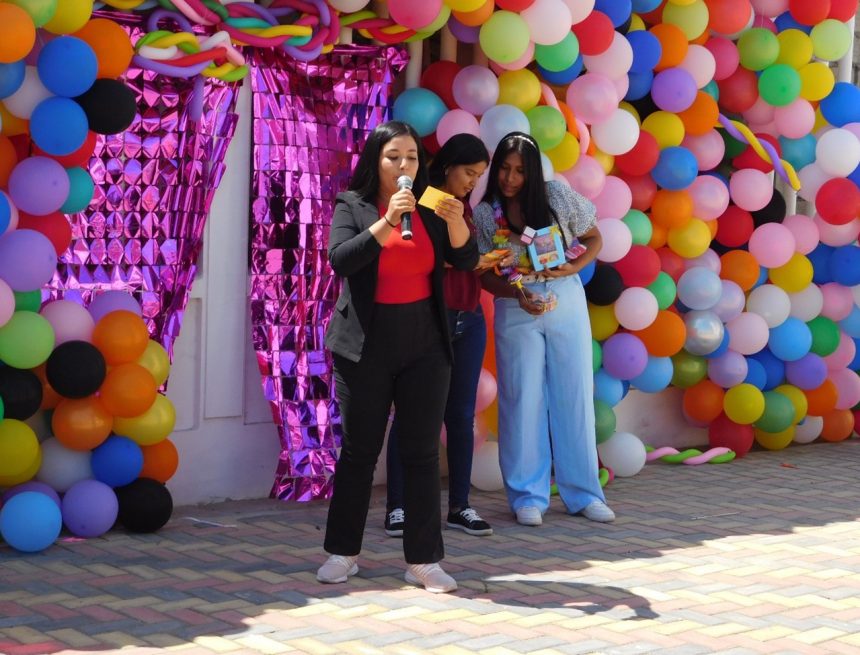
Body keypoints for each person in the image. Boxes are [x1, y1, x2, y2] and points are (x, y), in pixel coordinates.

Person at [318, 121, 479, 593]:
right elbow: (342, 260)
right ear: (376, 160)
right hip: (365, 345)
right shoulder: (352, 204)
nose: (404, 166)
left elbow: (466, 261)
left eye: (411, 156)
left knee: (422, 452)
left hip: (425, 343)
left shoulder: (430, 204)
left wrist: (454, 222)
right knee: (359, 452)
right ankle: (342, 552)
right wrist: (389, 220)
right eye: (393, 157)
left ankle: (423, 561)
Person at [471, 132, 615, 527]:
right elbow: (484, 276)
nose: (510, 178)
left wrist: (574, 267)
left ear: (532, 172)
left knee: (574, 394)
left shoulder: (556, 197)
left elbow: (594, 236)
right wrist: (517, 295)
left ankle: (584, 493)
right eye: (504, 168)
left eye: (519, 170)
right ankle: (526, 496)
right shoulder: (485, 214)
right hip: (515, 304)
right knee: (522, 398)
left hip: (564, 297)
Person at [384, 134, 498, 539]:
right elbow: (425, 258)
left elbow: (463, 259)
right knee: (413, 414)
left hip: (469, 319)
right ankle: (397, 506)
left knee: (461, 417)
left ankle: (460, 506)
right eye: (469, 173)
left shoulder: (461, 207)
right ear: (448, 165)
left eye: (479, 176)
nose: (472, 182)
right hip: (431, 319)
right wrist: (469, 259)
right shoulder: (425, 200)